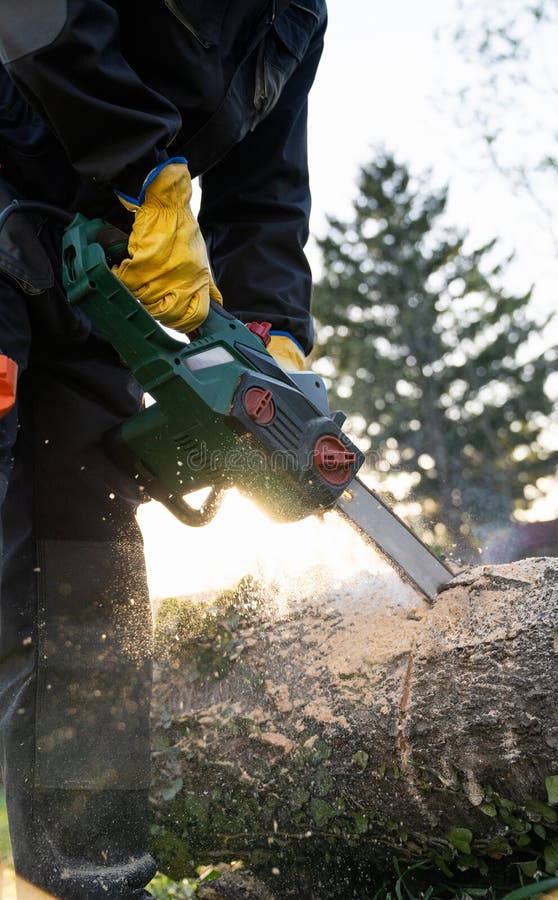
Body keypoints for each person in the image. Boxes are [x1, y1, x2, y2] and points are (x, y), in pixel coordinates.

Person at [0, 2, 327, 896]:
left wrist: (273, 340)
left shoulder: (294, 17)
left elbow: (265, 193)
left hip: (95, 280)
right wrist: (145, 171)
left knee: (90, 564)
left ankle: (91, 867)